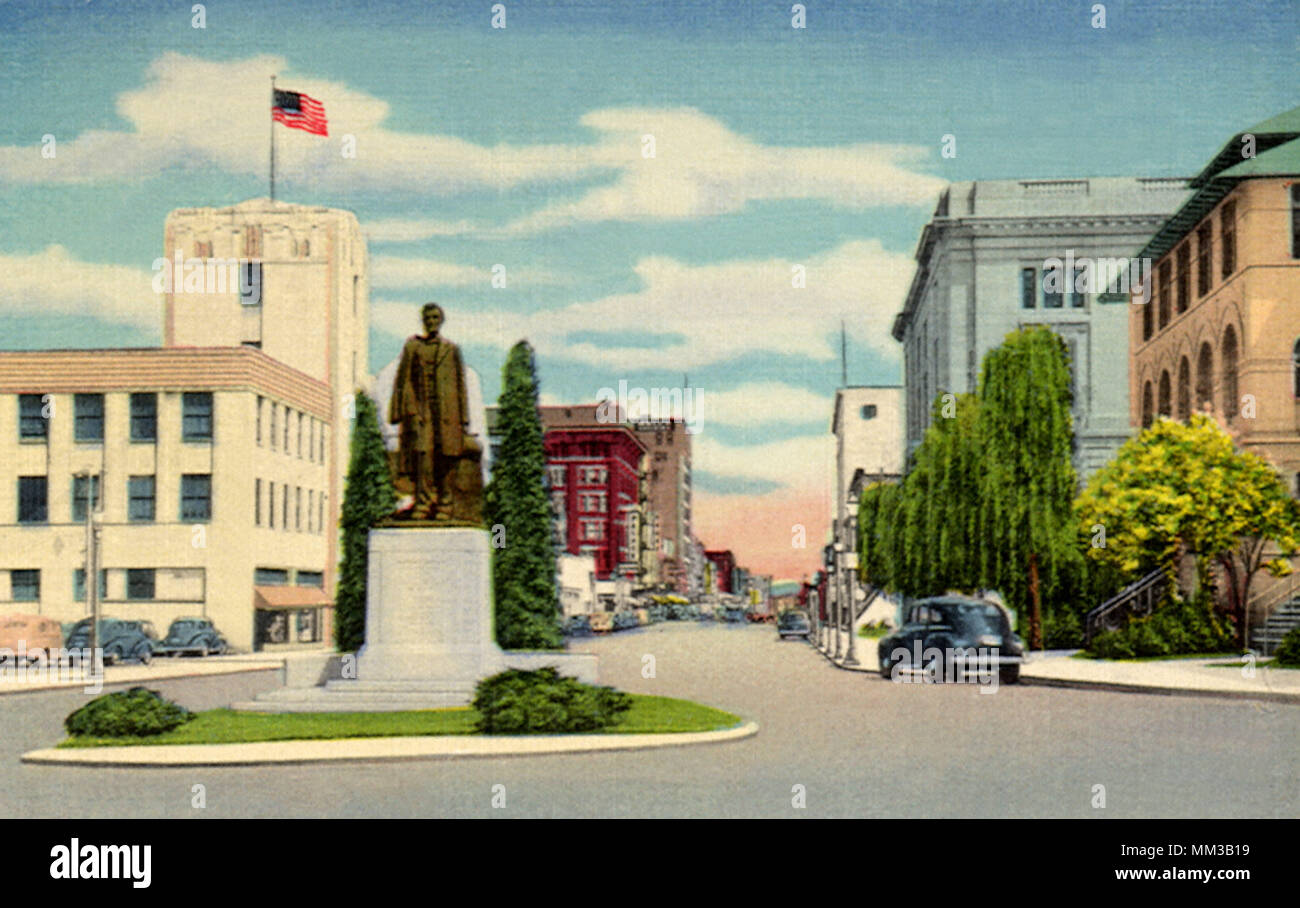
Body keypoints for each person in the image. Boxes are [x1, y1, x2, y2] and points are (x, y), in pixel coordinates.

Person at [389, 302, 471, 520]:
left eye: (435, 317)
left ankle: (445, 504)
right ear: (423, 321)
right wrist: (406, 411)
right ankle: (423, 503)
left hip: (447, 413)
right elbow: (403, 379)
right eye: (428, 318)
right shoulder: (413, 347)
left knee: (445, 458)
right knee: (423, 457)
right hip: (422, 412)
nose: (432, 322)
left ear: (441, 320)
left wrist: (463, 419)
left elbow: (460, 385)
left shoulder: (451, 350)